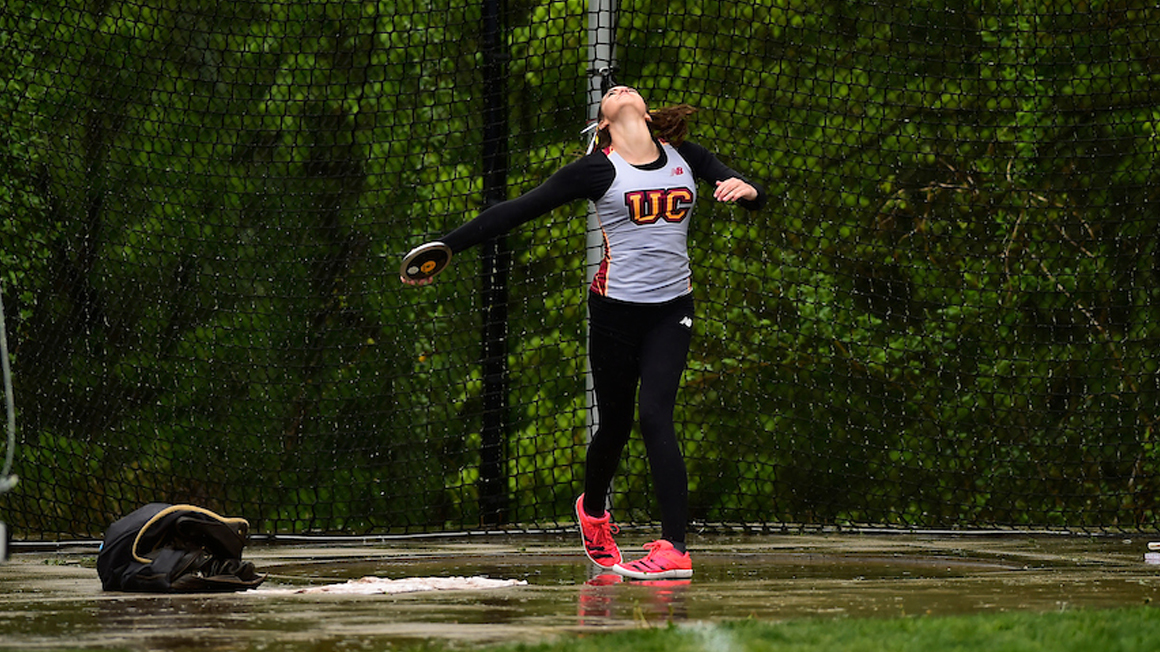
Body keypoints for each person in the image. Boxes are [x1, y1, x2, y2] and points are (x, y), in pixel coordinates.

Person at [403, 85, 765, 579]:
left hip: (671, 310)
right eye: (609, 95)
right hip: (615, 313)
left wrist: (748, 190)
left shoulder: (687, 156)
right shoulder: (597, 169)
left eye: (626, 88)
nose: (618, 89)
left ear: (644, 111)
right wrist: (445, 248)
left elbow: (752, 195)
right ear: (604, 124)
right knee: (614, 424)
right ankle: (594, 514)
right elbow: (514, 210)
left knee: (656, 414)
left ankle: (674, 548)